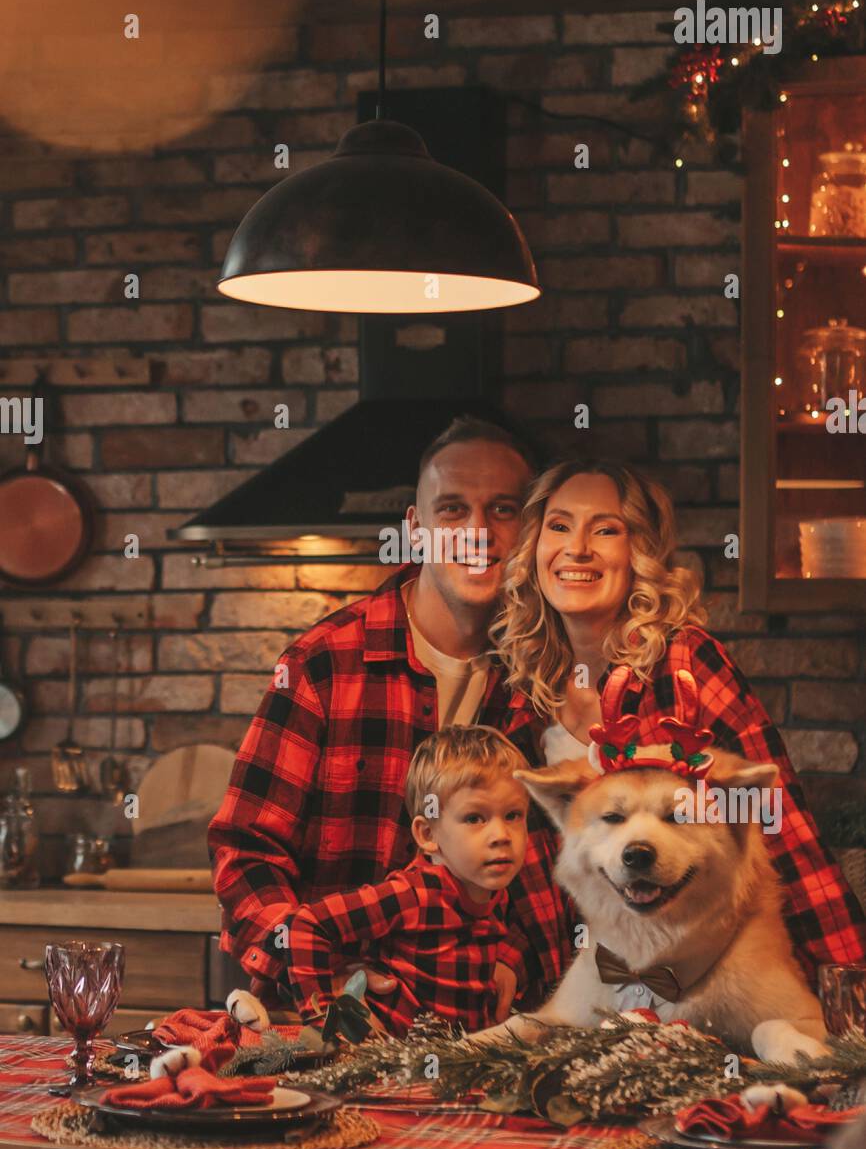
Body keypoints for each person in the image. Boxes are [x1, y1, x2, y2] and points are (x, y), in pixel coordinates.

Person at [208, 416, 576, 1016]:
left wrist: (517, 956)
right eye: (452, 510)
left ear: (530, 531)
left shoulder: (541, 675)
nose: (477, 532)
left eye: (503, 510)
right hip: (327, 1033)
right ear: (415, 529)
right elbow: (244, 850)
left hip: (480, 1035)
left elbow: (547, 868)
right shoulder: (323, 665)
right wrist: (319, 963)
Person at [490, 458, 866, 987]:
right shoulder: (519, 689)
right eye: (559, 525)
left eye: (606, 529)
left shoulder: (684, 663)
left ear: (637, 552)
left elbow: (779, 827)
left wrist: (848, 986)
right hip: (571, 992)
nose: (577, 547)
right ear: (534, 549)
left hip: (700, 990)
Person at [285, 726, 530, 1036]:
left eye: (513, 815)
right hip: (389, 1059)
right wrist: (327, 1018)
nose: (501, 836)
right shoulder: (411, 895)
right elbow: (307, 924)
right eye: (474, 818)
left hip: (454, 1061)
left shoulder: (497, 895)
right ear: (427, 834)